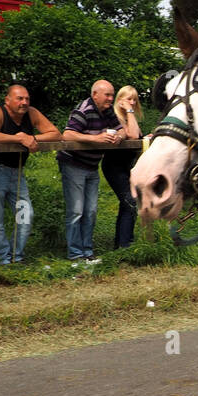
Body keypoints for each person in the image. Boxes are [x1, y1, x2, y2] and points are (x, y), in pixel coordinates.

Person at [0, 83, 61, 264]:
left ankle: (16, 256)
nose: (24, 102)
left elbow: (55, 133)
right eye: (19, 98)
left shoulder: (31, 113)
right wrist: (20, 138)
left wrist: (33, 138)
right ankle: (3, 260)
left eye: (27, 99)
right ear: (7, 101)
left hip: (17, 172)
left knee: (25, 214)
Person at [58, 79, 117, 264]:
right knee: (76, 210)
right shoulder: (83, 110)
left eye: (112, 95)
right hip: (73, 164)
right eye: (107, 95)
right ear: (95, 95)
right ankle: (75, 253)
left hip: (92, 166)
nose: (111, 99)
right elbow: (67, 134)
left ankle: (87, 251)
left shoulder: (108, 111)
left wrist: (118, 137)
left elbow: (121, 130)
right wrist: (97, 139)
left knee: (90, 210)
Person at [100, 84, 143, 251]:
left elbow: (136, 135)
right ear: (119, 100)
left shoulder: (129, 118)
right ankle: (125, 246)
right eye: (128, 99)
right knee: (130, 202)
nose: (132, 103)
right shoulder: (114, 117)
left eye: (134, 100)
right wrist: (129, 111)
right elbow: (132, 134)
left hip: (128, 166)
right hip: (114, 166)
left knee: (128, 203)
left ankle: (122, 242)